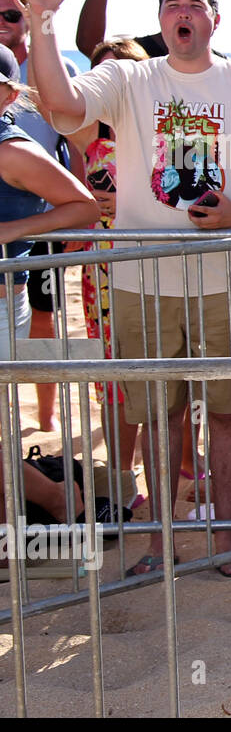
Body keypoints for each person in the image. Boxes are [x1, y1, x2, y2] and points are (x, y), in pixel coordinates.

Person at [26, 0, 231, 578]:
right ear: (160, 20)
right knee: (158, 415)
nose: (184, 13)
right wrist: (45, 21)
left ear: (214, 19)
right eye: (172, 4)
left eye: (196, 4)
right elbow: (61, 103)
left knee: (230, 415)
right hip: (142, 280)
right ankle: (159, 544)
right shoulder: (130, 79)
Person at [0, 66, 99, 523]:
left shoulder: (13, 150)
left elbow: (84, 205)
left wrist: (9, 232)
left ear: (6, 94)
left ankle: (53, 500)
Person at [0, 0, 85, 432]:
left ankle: (47, 416)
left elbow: (80, 143)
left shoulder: (54, 68)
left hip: (45, 213)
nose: (4, 24)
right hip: (17, 209)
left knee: (45, 316)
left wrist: (83, 219)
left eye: (12, 15)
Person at [78, 37, 149, 474]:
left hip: (159, 267)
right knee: (113, 381)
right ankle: (121, 477)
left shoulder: (165, 135)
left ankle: (175, 464)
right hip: (102, 274)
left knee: (165, 374)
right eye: (98, 73)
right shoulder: (87, 133)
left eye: (116, 72)